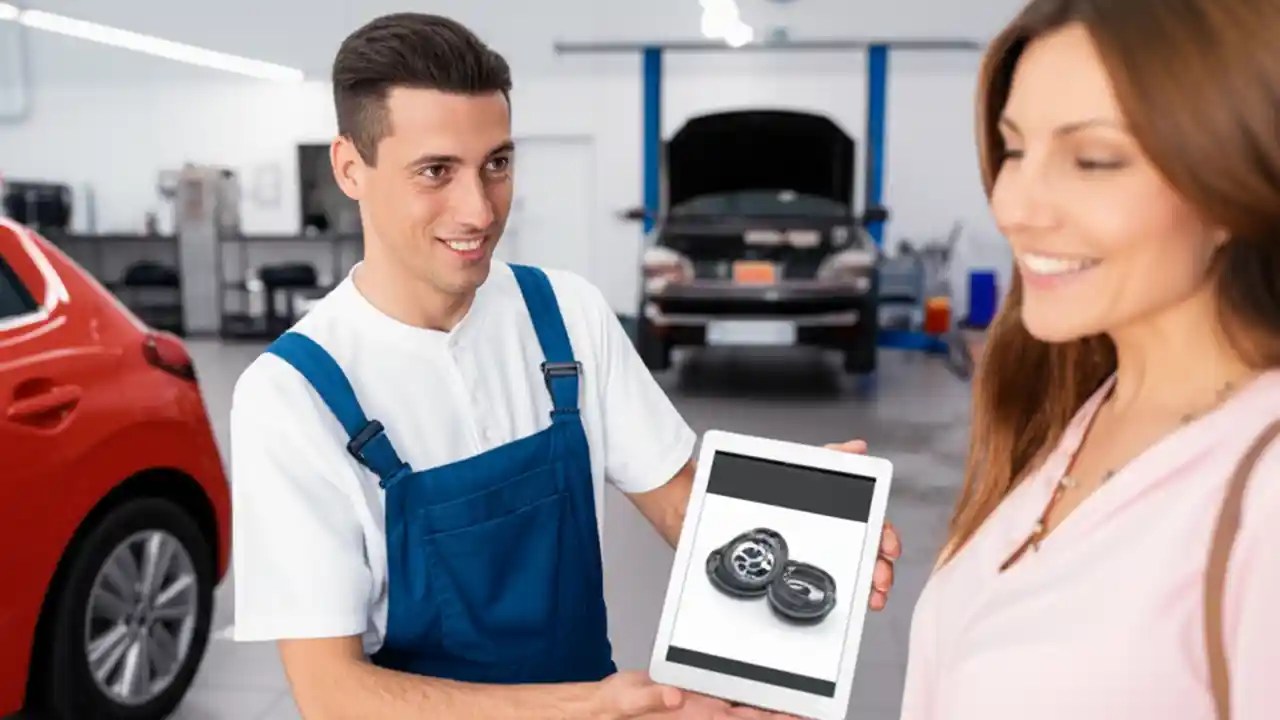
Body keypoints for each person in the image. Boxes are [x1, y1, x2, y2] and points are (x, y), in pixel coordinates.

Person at [228, 13, 902, 720]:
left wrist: (800, 524)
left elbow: (680, 505)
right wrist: (595, 708)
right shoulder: (293, 395)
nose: (478, 210)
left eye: (497, 164)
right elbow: (332, 694)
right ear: (349, 168)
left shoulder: (566, 316)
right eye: (435, 171)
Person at [898, 0, 1280, 717]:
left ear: (1232, 181)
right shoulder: (1071, 411)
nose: (1014, 206)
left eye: (1093, 160)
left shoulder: (1266, 493)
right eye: (1014, 149)